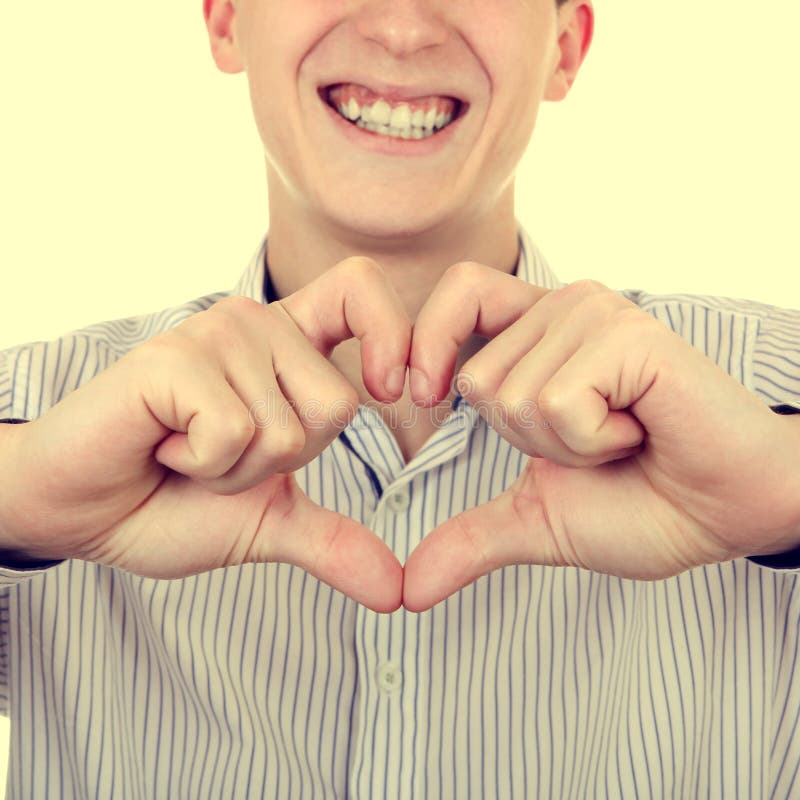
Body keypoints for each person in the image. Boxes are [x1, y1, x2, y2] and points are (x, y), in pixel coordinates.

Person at [1, 0, 799, 796]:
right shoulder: (34, 421)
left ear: (564, 48)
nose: (402, 27)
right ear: (223, 19)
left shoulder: (769, 399)